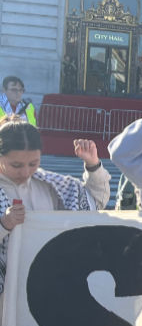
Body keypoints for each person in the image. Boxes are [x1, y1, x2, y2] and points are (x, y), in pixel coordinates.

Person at [0, 124, 110, 292]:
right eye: (16, 165)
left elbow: (92, 206)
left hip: (47, 284)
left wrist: (93, 165)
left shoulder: (50, 185)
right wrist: (4, 225)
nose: (25, 171)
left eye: (33, 163)